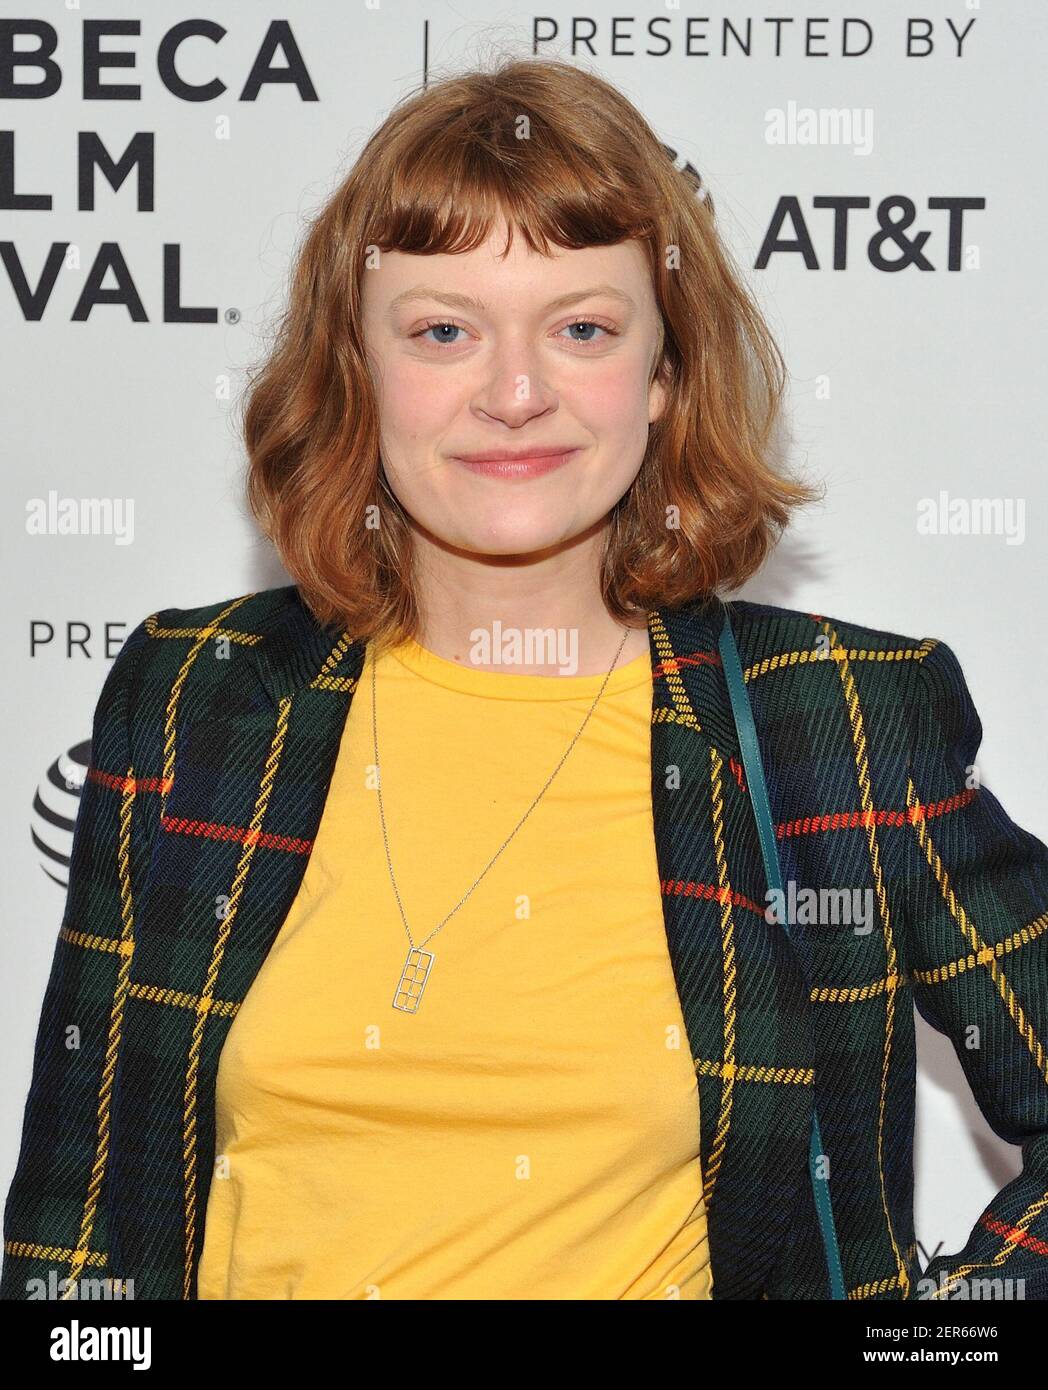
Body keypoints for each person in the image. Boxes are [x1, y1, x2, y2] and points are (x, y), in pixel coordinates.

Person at [3, 56, 1047, 1303]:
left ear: (664, 377)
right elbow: (72, 1231)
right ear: (358, 369)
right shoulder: (197, 696)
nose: (513, 395)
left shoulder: (833, 722)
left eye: (582, 329)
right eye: (443, 331)